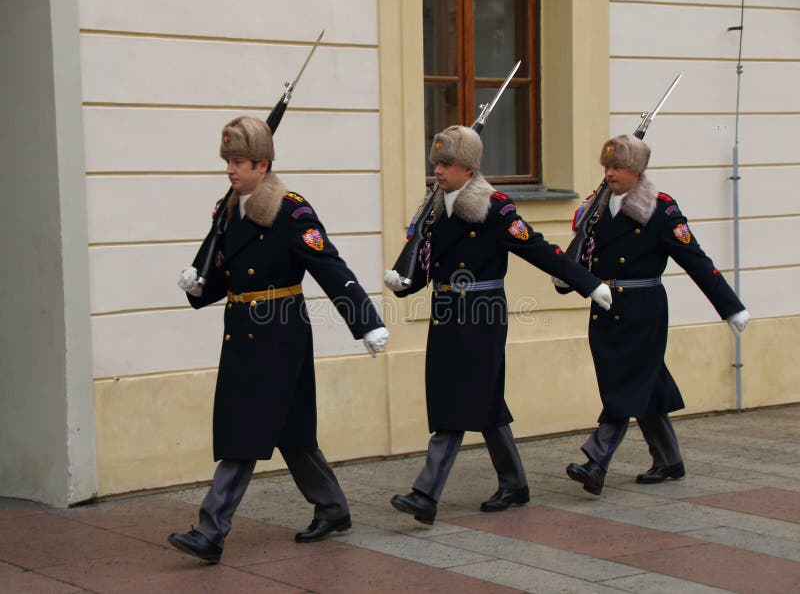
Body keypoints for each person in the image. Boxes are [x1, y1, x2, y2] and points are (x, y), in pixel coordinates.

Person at [169, 116, 389, 563]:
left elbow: (329, 265)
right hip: (241, 330)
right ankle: (332, 508)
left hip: (279, 332)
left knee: (243, 430)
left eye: (238, 162)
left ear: (262, 163)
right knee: (291, 432)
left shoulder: (290, 209)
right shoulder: (228, 207)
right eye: (227, 161)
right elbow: (224, 272)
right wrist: (199, 285)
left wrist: (365, 321)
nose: (229, 170)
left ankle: (211, 531)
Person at [383, 125, 612, 524]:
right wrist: (404, 284)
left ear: (468, 169)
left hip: (482, 314)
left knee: (456, 404)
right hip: (445, 312)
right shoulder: (435, 207)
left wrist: (588, 283)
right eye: (436, 162)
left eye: (447, 163)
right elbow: (425, 263)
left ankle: (426, 493)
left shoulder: (494, 207)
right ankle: (515, 483)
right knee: (482, 401)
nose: (437, 170)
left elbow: (538, 249)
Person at [556, 134, 750, 496]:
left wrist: (730, 306)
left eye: (618, 167)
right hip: (604, 307)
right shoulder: (596, 207)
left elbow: (696, 260)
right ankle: (669, 459)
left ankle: (596, 461)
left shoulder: (660, 209)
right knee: (643, 384)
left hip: (643, 310)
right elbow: (583, 253)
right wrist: (566, 277)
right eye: (607, 167)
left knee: (626, 384)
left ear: (637, 170)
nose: (610, 173)